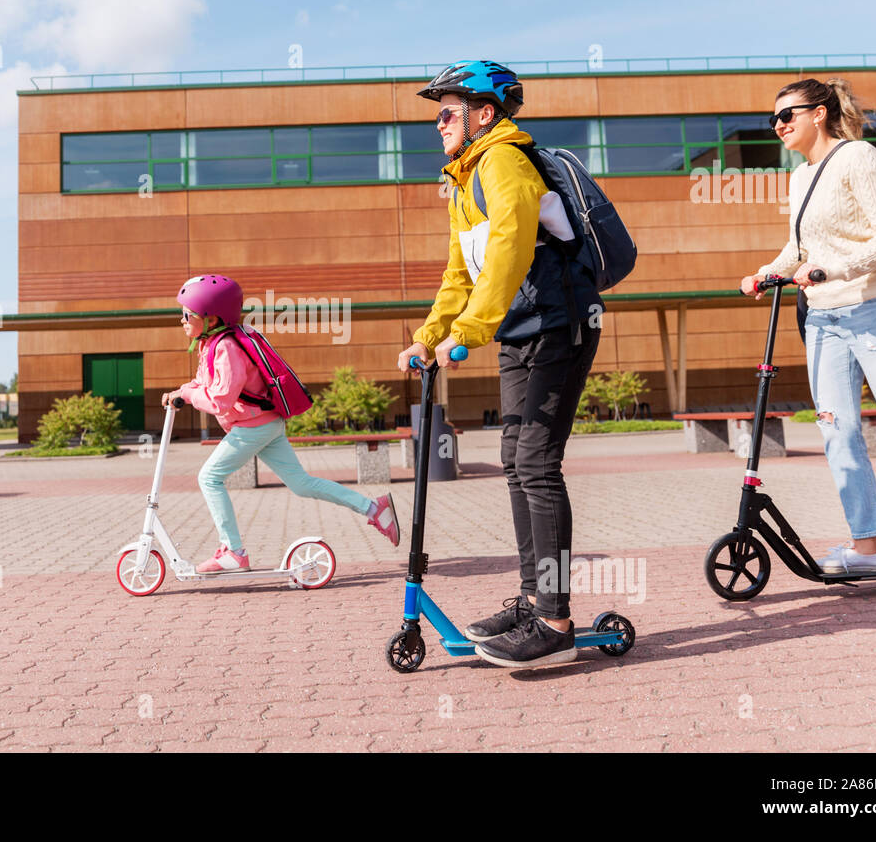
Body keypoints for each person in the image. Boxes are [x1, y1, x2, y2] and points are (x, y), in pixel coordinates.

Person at [400, 61, 602, 667]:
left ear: (484, 113)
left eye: (447, 111)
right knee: (516, 460)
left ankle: (556, 619)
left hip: (558, 326)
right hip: (520, 333)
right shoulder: (465, 180)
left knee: (537, 464)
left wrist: (469, 331)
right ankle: (532, 596)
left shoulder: (504, 161)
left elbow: (512, 247)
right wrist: (431, 333)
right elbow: (462, 271)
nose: (438, 123)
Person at [742, 78, 876, 574]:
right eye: (773, 120)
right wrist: (769, 271)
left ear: (819, 113)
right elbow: (801, 249)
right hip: (824, 319)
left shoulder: (860, 158)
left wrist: (832, 270)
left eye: (787, 116)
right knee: (838, 431)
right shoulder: (800, 175)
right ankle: (868, 550)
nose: (779, 126)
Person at [164, 274, 399, 573]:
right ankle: (374, 509)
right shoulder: (211, 343)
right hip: (264, 424)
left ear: (211, 319)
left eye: (188, 314)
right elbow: (203, 383)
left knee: (209, 478)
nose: (182, 319)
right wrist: (180, 392)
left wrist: (188, 395)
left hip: (253, 428)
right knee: (302, 484)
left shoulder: (227, 348)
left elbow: (220, 399)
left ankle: (233, 552)